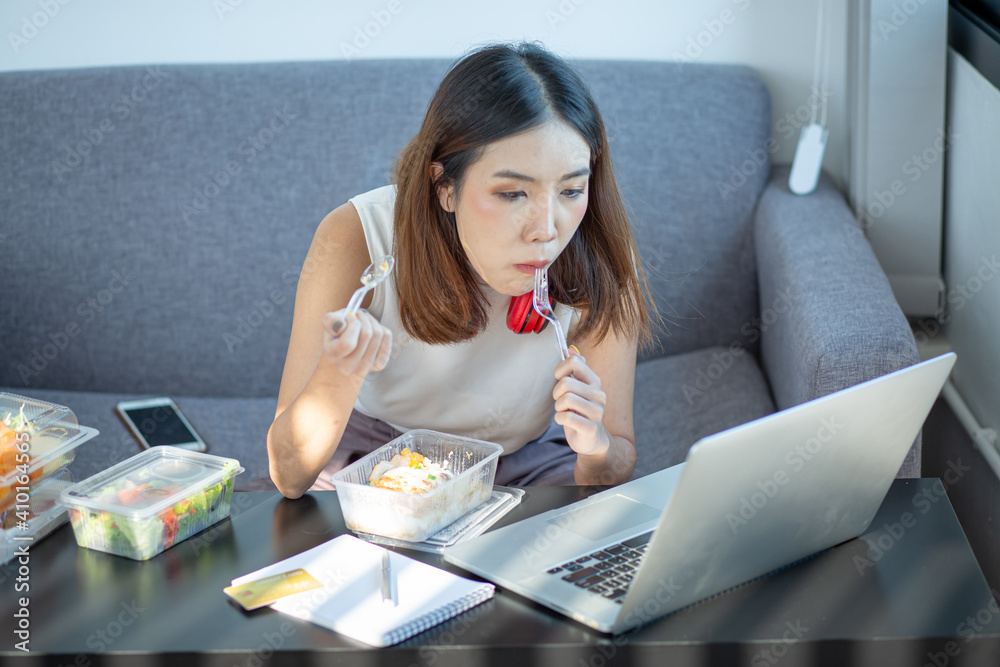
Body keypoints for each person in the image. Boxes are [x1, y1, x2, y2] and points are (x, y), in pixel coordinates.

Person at [267, 41, 655, 499]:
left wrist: (595, 448)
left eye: (571, 191)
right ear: (444, 186)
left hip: (519, 465)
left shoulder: (600, 253)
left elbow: (616, 461)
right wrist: (341, 372)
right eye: (512, 194)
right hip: (376, 459)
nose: (546, 232)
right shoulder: (355, 236)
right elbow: (289, 477)